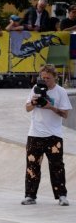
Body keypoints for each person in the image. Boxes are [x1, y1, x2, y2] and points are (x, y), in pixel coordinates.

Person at [22, 64, 70, 206]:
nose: (45, 81)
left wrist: (50, 107)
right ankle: (30, 196)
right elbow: (27, 108)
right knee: (32, 165)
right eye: (43, 78)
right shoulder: (35, 89)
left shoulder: (61, 92)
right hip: (35, 133)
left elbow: (65, 114)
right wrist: (33, 102)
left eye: (48, 78)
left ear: (55, 77)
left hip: (54, 135)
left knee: (57, 166)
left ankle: (61, 196)